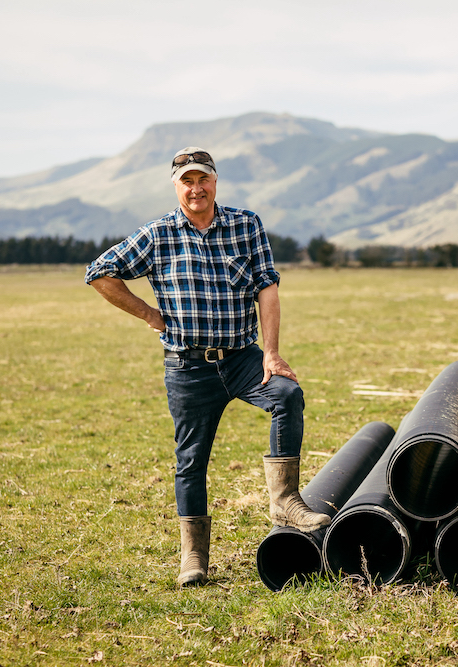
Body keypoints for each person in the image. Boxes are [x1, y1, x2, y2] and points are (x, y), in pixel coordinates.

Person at [84, 147, 330, 587]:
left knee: (287, 394)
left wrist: (271, 353)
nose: (195, 188)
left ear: (216, 182)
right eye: (186, 181)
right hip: (188, 367)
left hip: (241, 357)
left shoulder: (245, 224)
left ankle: (285, 500)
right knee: (191, 461)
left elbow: (267, 290)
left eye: (203, 179)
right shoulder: (157, 234)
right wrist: (146, 313)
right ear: (175, 185)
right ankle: (194, 557)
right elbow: (99, 272)